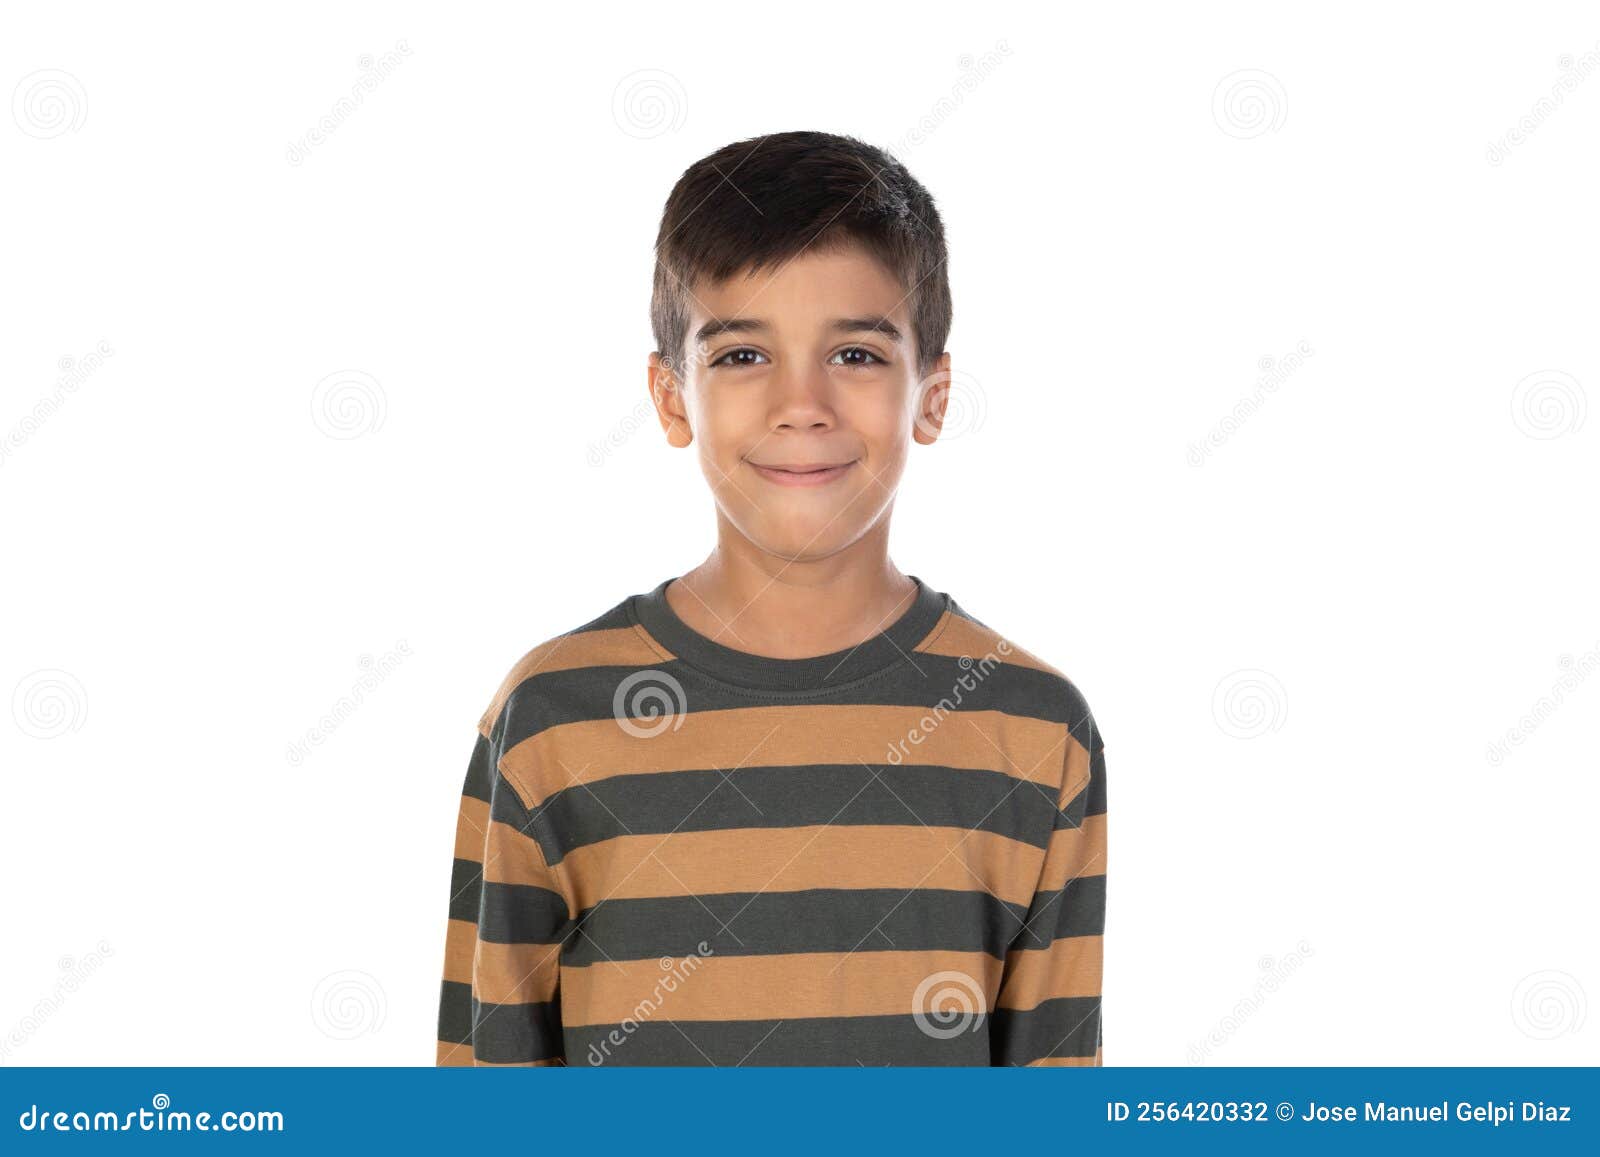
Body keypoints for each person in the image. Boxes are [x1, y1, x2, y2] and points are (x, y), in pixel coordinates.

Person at [435, 130, 1106, 1066]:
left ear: (934, 394)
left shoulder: (1033, 731)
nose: (803, 403)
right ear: (673, 399)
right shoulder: (549, 722)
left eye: (859, 355)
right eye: (744, 355)